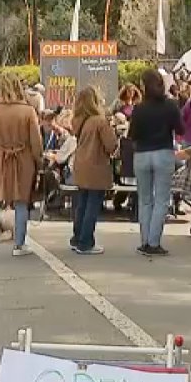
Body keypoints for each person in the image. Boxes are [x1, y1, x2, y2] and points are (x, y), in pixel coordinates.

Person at [0, 70, 41, 256]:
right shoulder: (28, 111)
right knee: (21, 203)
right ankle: (19, 245)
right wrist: (38, 161)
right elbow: (36, 142)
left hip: (0, 159)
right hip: (23, 159)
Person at [129, 70, 184, 256]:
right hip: (163, 152)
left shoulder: (138, 108)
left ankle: (144, 241)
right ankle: (154, 243)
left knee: (145, 200)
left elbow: (132, 135)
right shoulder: (170, 105)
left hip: (142, 154)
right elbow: (180, 129)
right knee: (161, 200)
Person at [69, 85, 118, 255]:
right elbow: (111, 145)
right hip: (96, 165)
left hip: (80, 164)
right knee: (92, 205)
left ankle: (77, 238)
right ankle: (86, 242)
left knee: (81, 204)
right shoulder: (99, 121)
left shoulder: (77, 120)